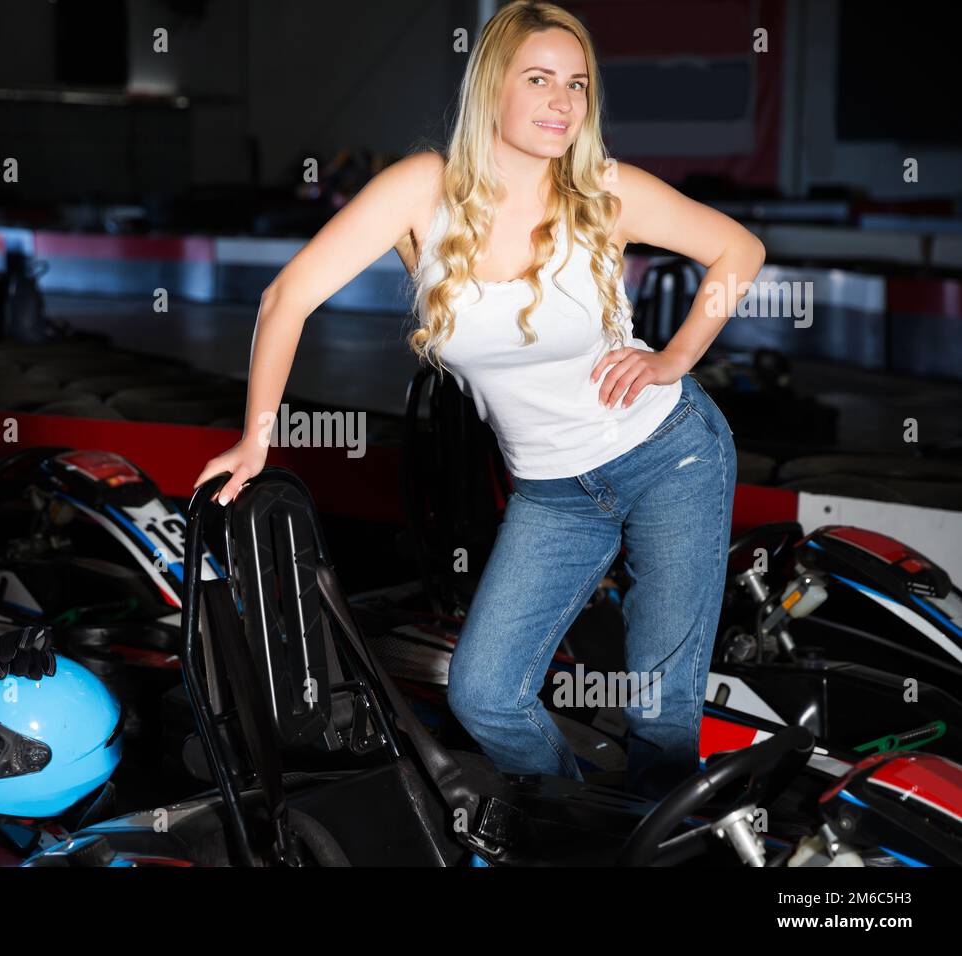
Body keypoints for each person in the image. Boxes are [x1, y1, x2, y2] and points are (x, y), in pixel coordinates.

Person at [193, 0, 765, 800]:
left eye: (577, 84)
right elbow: (288, 296)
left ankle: (647, 843)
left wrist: (674, 356)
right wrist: (258, 439)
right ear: (492, 85)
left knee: (660, 715)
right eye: (539, 79)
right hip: (553, 492)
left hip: (672, 457)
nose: (563, 101)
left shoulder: (604, 189)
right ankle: (578, 825)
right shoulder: (422, 191)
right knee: (485, 694)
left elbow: (739, 248)